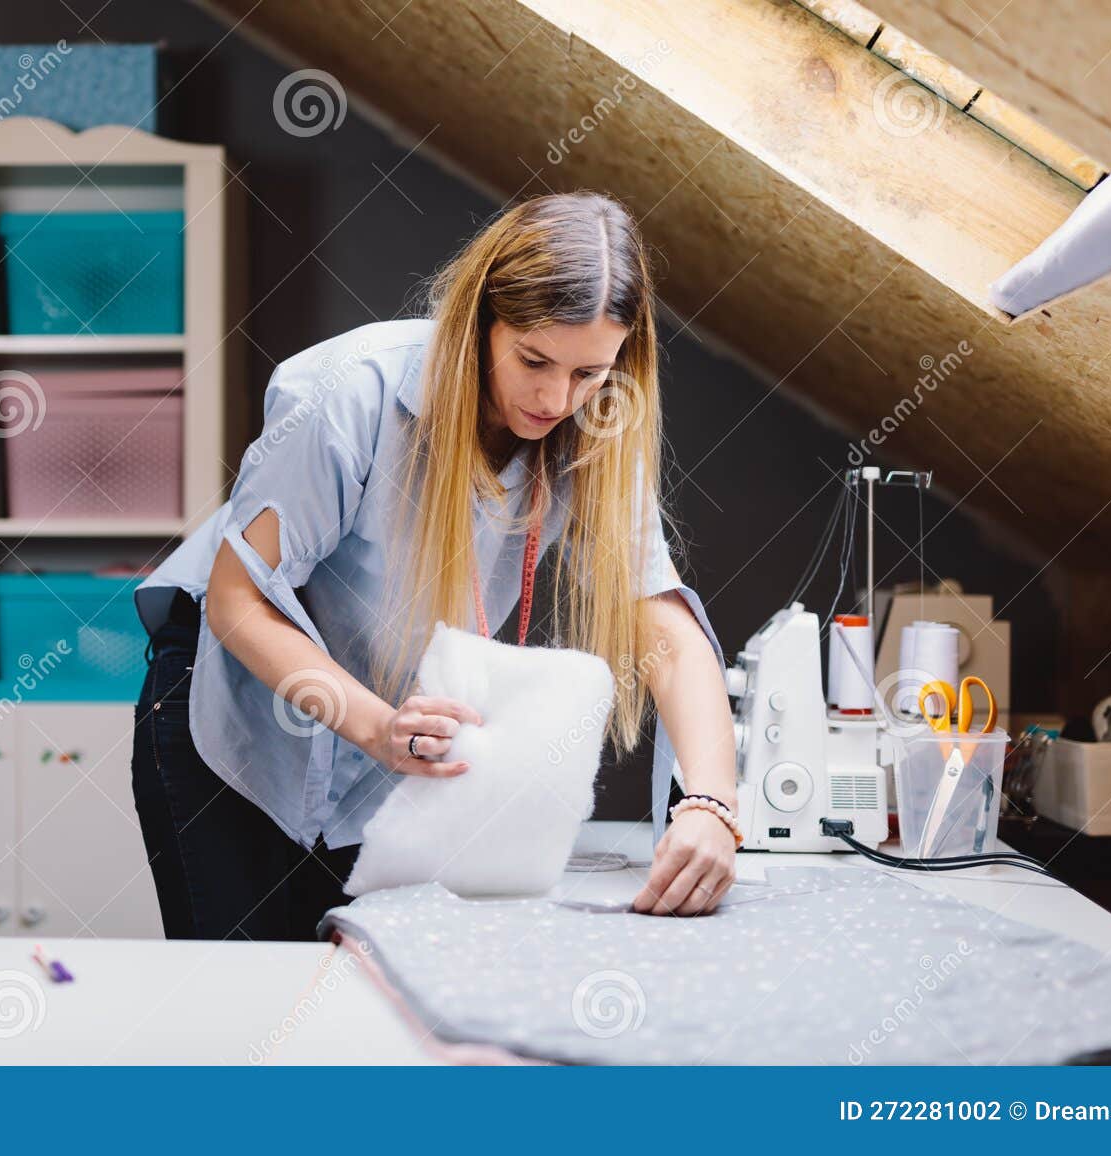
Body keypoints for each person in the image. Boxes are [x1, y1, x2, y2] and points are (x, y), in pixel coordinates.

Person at [131, 191, 740, 941]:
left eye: (589, 372)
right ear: (481, 320)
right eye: (534, 360)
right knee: (246, 1016)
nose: (556, 398)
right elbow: (237, 602)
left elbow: (665, 626)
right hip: (235, 711)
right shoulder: (347, 393)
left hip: (386, 729)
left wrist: (711, 806)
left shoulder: (596, 418)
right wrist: (379, 727)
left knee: (358, 1008)